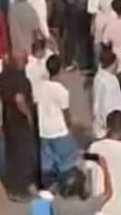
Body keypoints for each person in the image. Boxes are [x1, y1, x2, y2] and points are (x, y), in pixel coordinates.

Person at [0, 51, 38, 199]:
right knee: (24, 156)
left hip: (8, 123)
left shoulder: (3, 77)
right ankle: (23, 189)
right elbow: (19, 100)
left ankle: (13, 188)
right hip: (19, 123)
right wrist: (29, 116)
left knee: (12, 155)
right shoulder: (21, 79)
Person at [33, 54, 76, 185]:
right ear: (60, 70)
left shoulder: (38, 86)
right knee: (65, 160)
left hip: (43, 129)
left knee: (46, 161)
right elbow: (66, 112)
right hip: (59, 129)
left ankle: (47, 184)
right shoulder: (61, 90)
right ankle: (64, 185)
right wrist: (70, 127)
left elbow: (35, 105)